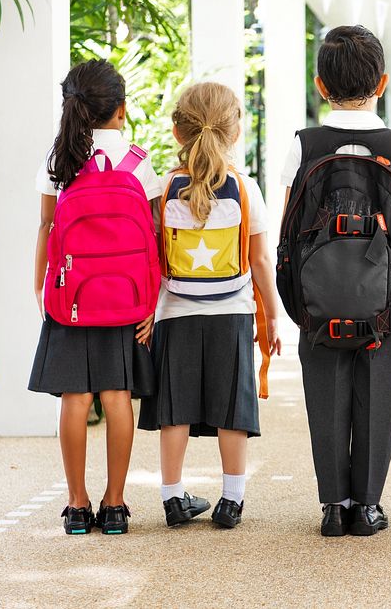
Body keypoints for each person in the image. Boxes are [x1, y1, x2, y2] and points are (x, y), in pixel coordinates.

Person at [279, 25, 391, 537]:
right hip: (384, 303)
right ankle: (367, 505)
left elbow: (288, 233)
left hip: (318, 301)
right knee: (380, 395)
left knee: (324, 393)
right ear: (382, 82)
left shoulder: (303, 147)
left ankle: (333, 505)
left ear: (320, 86)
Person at [138, 82, 282, 529]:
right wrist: (272, 315)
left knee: (175, 407)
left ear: (178, 133)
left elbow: (151, 256)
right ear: (235, 132)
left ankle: (173, 499)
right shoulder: (245, 187)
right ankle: (231, 501)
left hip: (175, 312)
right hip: (232, 311)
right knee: (231, 407)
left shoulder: (163, 190)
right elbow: (259, 259)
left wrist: (147, 307)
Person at [29, 59, 160, 535]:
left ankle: (78, 505)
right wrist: (152, 302)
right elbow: (154, 234)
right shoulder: (138, 162)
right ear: (121, 111)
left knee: (76, 397)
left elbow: (46, 226)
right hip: (127, 298)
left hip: (71, 297)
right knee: (118, 394)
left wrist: (41, 287)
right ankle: (116, 505)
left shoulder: (58, 159)